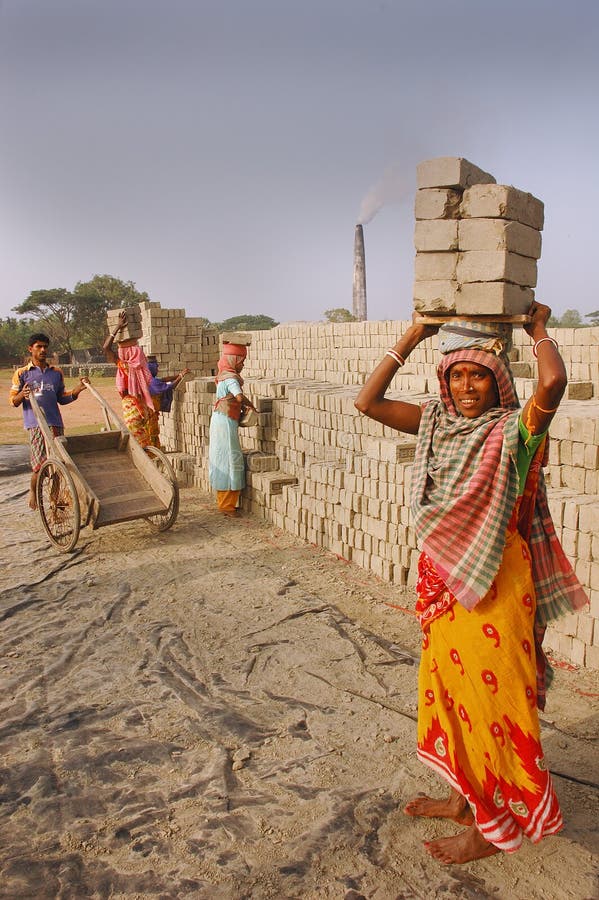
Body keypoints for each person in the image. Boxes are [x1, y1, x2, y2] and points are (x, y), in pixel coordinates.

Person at [355, 302, 588, 865]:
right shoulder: (435, 422)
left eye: (478, 375)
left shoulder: (515, 431)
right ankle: (467, 800)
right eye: (456, 374)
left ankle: (491, 829)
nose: (466, 386)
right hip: (442, 582)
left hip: (497, 585)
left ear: (498, 381)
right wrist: (415, 332)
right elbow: (367, 402)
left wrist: (536, 331)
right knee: (454, 694)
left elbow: (554, 381)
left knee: (491, 701)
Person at [9, 332, 87, 509]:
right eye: (39, 347)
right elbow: (13, 401)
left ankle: (54, 500)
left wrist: (77, 391)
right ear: (31, 349)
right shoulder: (22, 373)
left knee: (59, 465)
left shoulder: (56, 373)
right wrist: (23, 394)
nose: (43, 350)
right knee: (39, 466)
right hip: (35, 425)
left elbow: (61, 398)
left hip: (55, 423)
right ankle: (33, 491)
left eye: (45, 347)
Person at [208, 341, 256, 516]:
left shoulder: (222, 376)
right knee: (230, 459)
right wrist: (252, 406)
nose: (242, 365)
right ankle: (227, 506)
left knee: (222, 457)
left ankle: (224, 502)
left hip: (220, 420)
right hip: (225, 422)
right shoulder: (231, 378)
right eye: (241, 361)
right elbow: (238, 397)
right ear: (233, 360)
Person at [103, 312, 159, 448]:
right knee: (148, 444)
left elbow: (106, 347)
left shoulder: (123, 366)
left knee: (141, 446)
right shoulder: (143, 368)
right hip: (145, 408)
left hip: (132, 410)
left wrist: (117, 327)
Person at [147, 356, 191, 420]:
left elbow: (164, 379)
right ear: (151, 368)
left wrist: (179, 375)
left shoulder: (147, 378)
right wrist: (181, 376)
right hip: (149, 413)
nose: (157, 370)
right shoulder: (152, 381)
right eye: (156, 368)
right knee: (150, 429)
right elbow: (170, 386)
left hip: (150, 411)